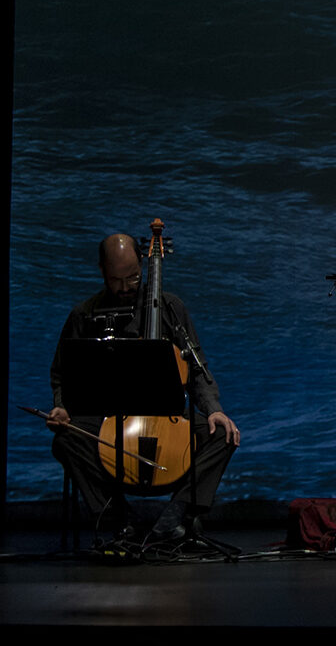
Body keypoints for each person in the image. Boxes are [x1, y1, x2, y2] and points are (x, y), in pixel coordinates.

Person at [45, 232, 242, 544]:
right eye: (116, 279)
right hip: (108, 420)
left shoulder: (171, 308)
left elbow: (196, 368)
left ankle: (174, 516)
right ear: (101, 271)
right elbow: (62, 375)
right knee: (66, 441)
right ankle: (120, 520)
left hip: (168, 417)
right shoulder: (83, 314)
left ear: (143, 264)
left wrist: (215, 410)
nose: (125, 287)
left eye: (133, 277)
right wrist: (62, 406)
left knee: (224, 436)